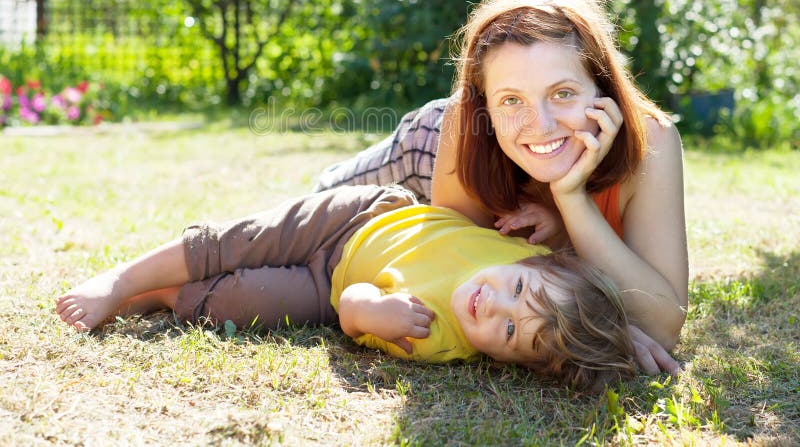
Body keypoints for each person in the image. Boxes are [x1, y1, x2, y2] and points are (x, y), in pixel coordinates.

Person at [314, 0, 689, 359]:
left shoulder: (651, 142)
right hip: (427, 151)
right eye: (511, 99)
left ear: (603, 88)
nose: (540, 124)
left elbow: (662, 327)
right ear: (485, 105)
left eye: (563, 93)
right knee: (325, 203)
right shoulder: (467, 120)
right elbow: (456, 254)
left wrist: (571, 199)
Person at [56, 184, 639, 391]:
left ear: (513, 361)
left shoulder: (434, 337)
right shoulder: (536, 252)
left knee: (240, 304)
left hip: (327, 286)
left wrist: (377, 313)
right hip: (361, 215)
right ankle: (122, 280)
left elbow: (352, 316)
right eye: (516, 289)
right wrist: (554, 219)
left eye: (511, 332)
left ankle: (160, 296)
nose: (497, 307)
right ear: (536, 262)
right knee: (242, 240)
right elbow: (571, 256)